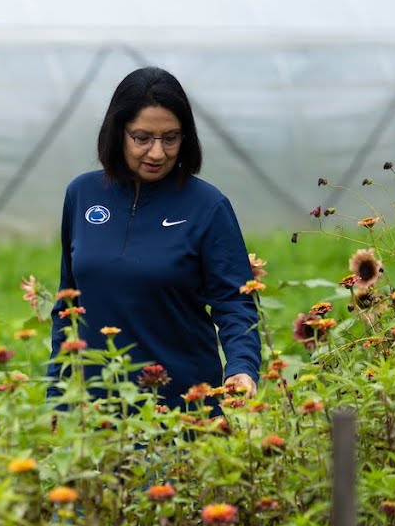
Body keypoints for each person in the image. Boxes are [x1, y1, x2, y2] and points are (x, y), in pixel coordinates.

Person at [46, 66, 259, 412]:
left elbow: (235, 302)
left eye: (170, 138)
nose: (157, 153)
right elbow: (68, 307)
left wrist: (242, 368)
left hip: (184, 411)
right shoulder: (82, 196)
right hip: (97, 416)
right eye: (142, 138)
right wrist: (58, 398)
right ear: (118, 133)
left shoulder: (207, 206)